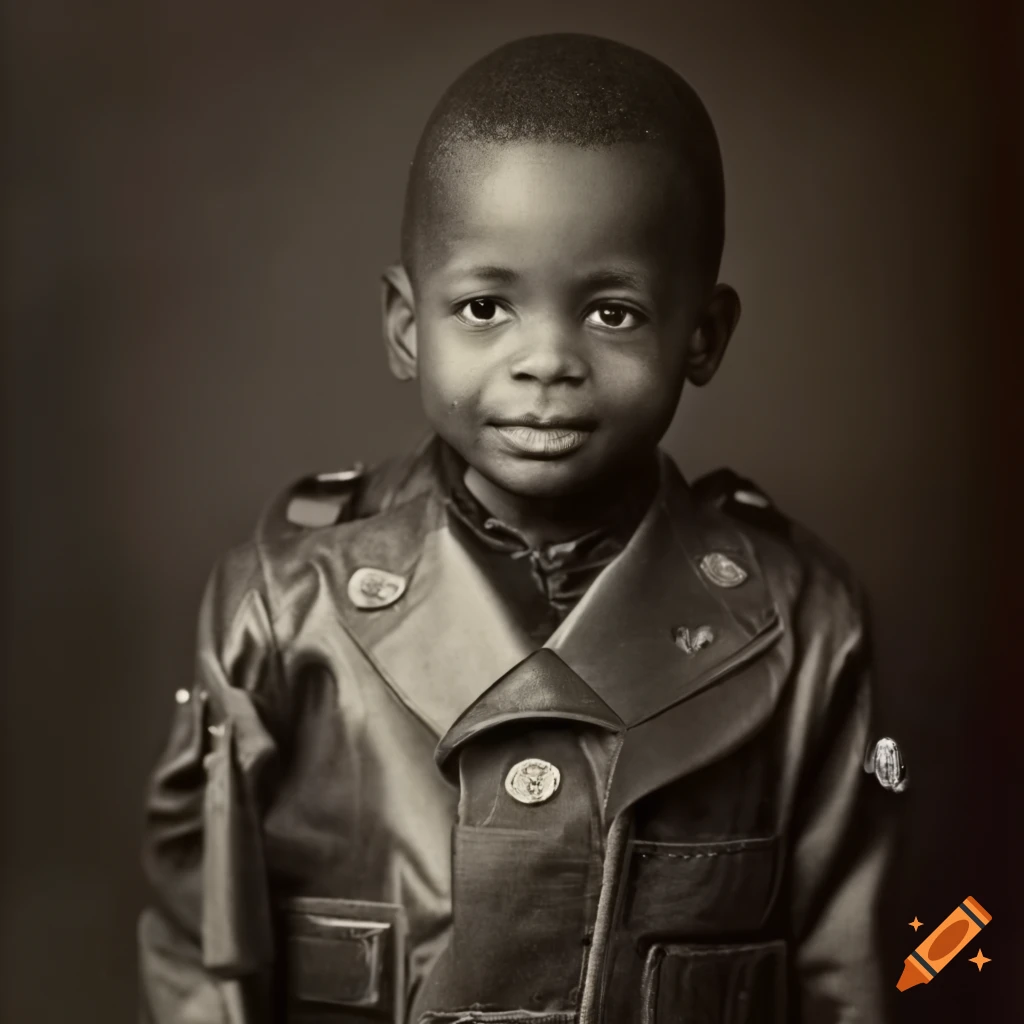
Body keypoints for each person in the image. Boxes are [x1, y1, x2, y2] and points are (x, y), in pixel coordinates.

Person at [138, 33, 901, 1024]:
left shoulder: (803, 621)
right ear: (408, 325)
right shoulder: (283, 601)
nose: (545, 360)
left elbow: (857, 969)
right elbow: (203, 949)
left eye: (614, 314)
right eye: (486, 305)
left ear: (702, 334)